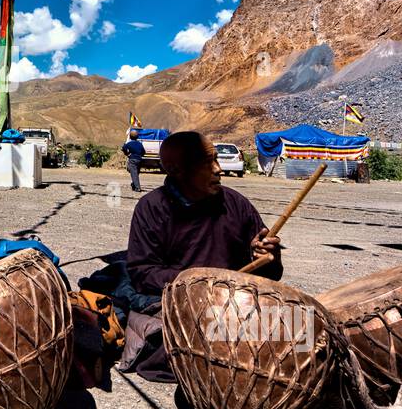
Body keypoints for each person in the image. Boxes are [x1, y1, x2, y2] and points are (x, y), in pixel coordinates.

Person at [119, 131, 281, 380]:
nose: (218, 169)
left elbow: (271, 273)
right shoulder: (152, 208)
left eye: (216, 159)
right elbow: (142, 272)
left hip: (237, 303)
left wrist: (267, 254)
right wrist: (203, 283)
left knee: (303, 330)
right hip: (187, 306)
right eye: (207, 162)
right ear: (176, 170)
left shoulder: (236, 204)